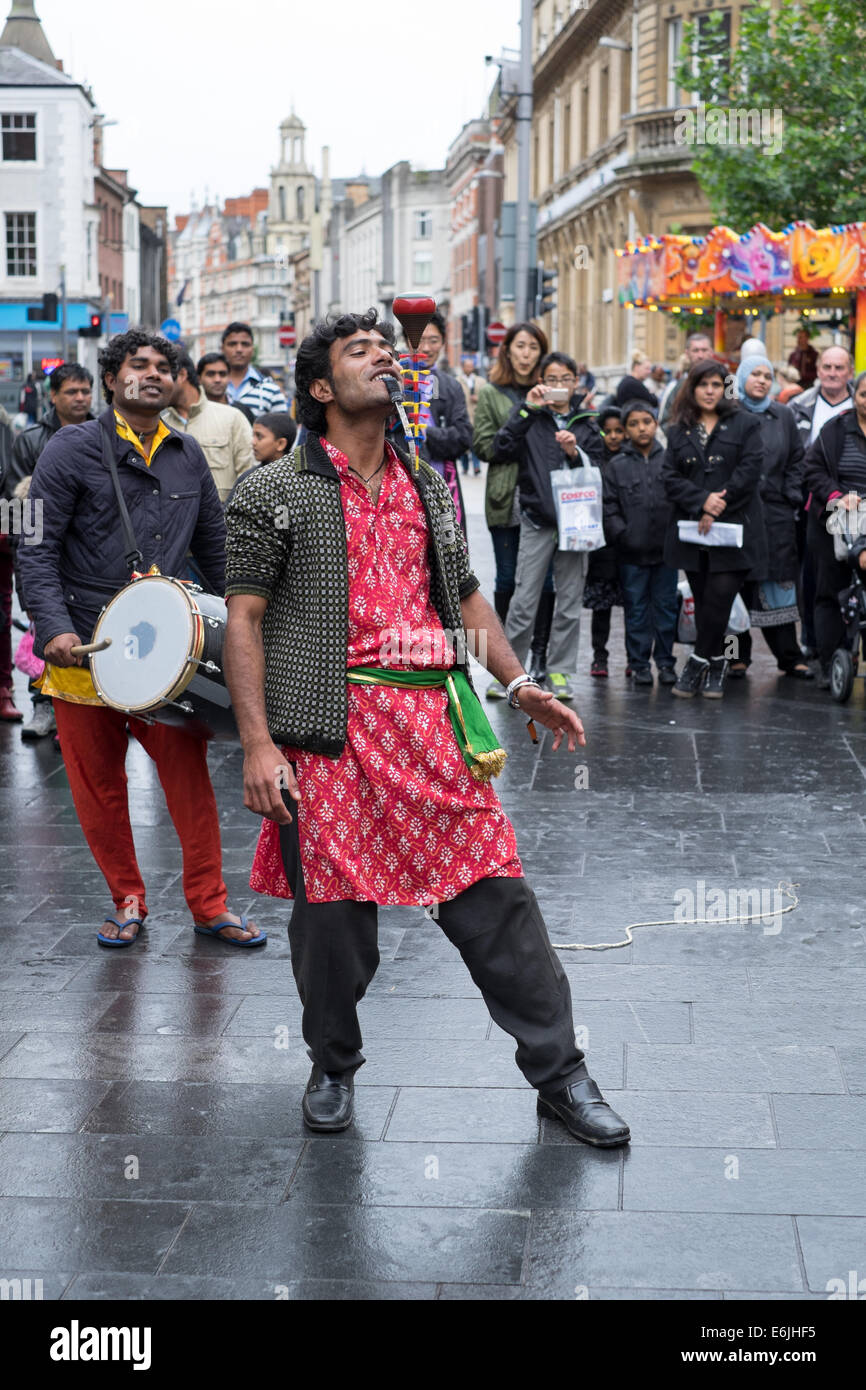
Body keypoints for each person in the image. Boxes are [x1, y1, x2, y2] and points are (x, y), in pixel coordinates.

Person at [222, 308, 629, 1148]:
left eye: (388, 348)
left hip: (431, 724)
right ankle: (333, 1064)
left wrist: (520, 683)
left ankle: (561, 1075)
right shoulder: (273, 489)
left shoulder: (425, 485)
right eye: (361, 351)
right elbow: (244, 620)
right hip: (327, 733)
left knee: (496, 899)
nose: (386, 358)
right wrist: (259, 745)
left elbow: (465, 595)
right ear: (320, 387)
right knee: (332, 925)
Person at [19, 330, 263, 949]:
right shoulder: (70, 449)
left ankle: (210, 903)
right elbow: (36, 546)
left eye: (164, 366)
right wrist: (54, 628)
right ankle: (126, 899)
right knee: (99, 789)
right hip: (84, 652)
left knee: (189, 781)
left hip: (165, 653)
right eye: (139, 364)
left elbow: (217, 551)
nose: (154, 374)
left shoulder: (187, 453)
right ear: (111, 379)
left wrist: (249, 622)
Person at [491, 351, 605, 703]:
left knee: (569, 601)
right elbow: (501, 447)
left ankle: (559, 671)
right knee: (524, 599)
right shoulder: (531, 416)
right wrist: (527, 408)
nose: (558, 386)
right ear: (541, 382)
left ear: (576, 382)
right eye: (551, 379)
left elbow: (601, 467)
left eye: (565, 380)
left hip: (577, 522)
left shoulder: (587, 421)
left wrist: (574, 452)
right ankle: (511, 672)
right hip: (537, 518)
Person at [662, 359, 766, 699]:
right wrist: (702, 502)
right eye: (703, 385)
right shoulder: (678, 429)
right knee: (705, 601)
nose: (710, 391)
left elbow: (750, 470)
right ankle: (718, 661)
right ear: (691, 389)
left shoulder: (746, 423)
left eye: (716, 385)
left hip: (736, 527)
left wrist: (719, 503)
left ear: (726, 388)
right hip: (693, 530)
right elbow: (669, 476)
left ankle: (696, 663)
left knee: (720, 599)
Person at [7, 363, 95, 739]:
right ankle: (43, 706)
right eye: (72, 392)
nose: (80, 398)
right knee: (42, 631)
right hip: (43, 549)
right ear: (53, 396)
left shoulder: (105, 434)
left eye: (85, 391)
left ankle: (93, 712)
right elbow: (16, 510)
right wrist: (23, 581)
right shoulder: (29, 441)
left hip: (90, 553)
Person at [472, 322, 554, 696]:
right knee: (507, 580)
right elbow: (485, 447)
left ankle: (541, 657)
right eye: (520, 346)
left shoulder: (552, 392)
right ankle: (509, 663)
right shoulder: (491, 393)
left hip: (545, 499)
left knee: (545, 582)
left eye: (533, 347)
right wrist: (524, 414)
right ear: (507, 350)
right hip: (507, 499)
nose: (526, 354)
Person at [729, 357, 812, 680]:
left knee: (779, 585)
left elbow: (796, 460)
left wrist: (789, 495)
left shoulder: (784, 415)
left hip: (776, 515)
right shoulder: (730, 413)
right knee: (732, 588)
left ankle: (790, 658)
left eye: (767, 375)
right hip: (737, 513)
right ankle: (735, 657)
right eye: (755, 374)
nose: (762, 380)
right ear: (741, 377)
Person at [603, 402, 677, 686]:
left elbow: (681, 496)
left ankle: (666, 662)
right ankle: (639, 664)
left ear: (656, 424)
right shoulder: (617, 465)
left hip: (666, 552)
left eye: (646, 422)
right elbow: (609, 505)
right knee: (636, 610)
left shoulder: (669, 460)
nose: (641, 428)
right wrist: (623, 534)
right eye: (633, 424)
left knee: (666, 608)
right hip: (631, 554)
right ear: (625, 430)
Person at [790, 345, 854, 659]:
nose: (832, 373)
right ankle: (813, 640)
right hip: (814, 501)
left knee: (851, 574)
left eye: (838, 367)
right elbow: (796, 458)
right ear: (817, 371)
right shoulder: (798, 405)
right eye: (826, 367)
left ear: (849, 372)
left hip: (856, 504)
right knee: (814, 574)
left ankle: (848, 644)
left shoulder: (859, 403)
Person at [804, 369, 866, 688]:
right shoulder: (835, 428)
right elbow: (812, 470)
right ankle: (830, 664)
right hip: (834, 522)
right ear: (855, 396)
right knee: (830, 592)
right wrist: (837, 496)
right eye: (864, 394)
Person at [162, 351, 255, 503]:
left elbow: (250, 476)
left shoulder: (232, 418)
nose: (156, 384)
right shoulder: (160, 426)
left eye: (162, 373)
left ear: (182, 375)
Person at [412, 312, 473, 536]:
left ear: (443, 343)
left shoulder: (451, 386)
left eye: (434, 340)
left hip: (442, 482)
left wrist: (426, 433)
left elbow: (463, 437)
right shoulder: (394, 383)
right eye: (419, 340)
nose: (426, 348)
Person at [584, 406, 625, 677]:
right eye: (606, 431)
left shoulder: (631, 458)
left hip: (628, 542)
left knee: (634, 603)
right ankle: (600, 656)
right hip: (601, 543)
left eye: (618, 431)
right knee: (602, 606)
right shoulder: (592, 461)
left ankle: (636, 659)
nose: (613, 436)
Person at [227, 411, 298, 505]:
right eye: (253, 435)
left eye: (259, 436)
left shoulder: (298, 479)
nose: (253, 442)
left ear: (281, 444)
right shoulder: (248, 478)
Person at [221, 322, 288, 417]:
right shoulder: (209, 388)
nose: (239, 349)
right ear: (222, 348)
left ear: (252, 348)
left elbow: (281, 425)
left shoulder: (271, 390)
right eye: (232, 344)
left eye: (245, 344)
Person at [659, 333, 714, 428]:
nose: (700, 355)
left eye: (704, 350)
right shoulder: (677, 386)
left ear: (711, 352)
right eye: (695, 350)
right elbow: (665, 422)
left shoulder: (726, 381)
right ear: (687, 353)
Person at [197, 351, 255, 424]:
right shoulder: (192, 411)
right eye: (211, 374)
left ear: (229, 377)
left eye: (222, 374)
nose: (217, 380)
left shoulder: (242, 411)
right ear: (199, 379)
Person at [457, 355, 483, 475]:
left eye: (471, 366)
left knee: (475, 443)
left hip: (476, 418)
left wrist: (478, 398)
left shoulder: (480, 381)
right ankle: (465, 467)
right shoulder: (457, 381)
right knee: (463, 445)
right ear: (463, 367)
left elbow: (485, 398)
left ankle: (477, 467)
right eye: (467, 366)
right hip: (463, 417)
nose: (469, 368)